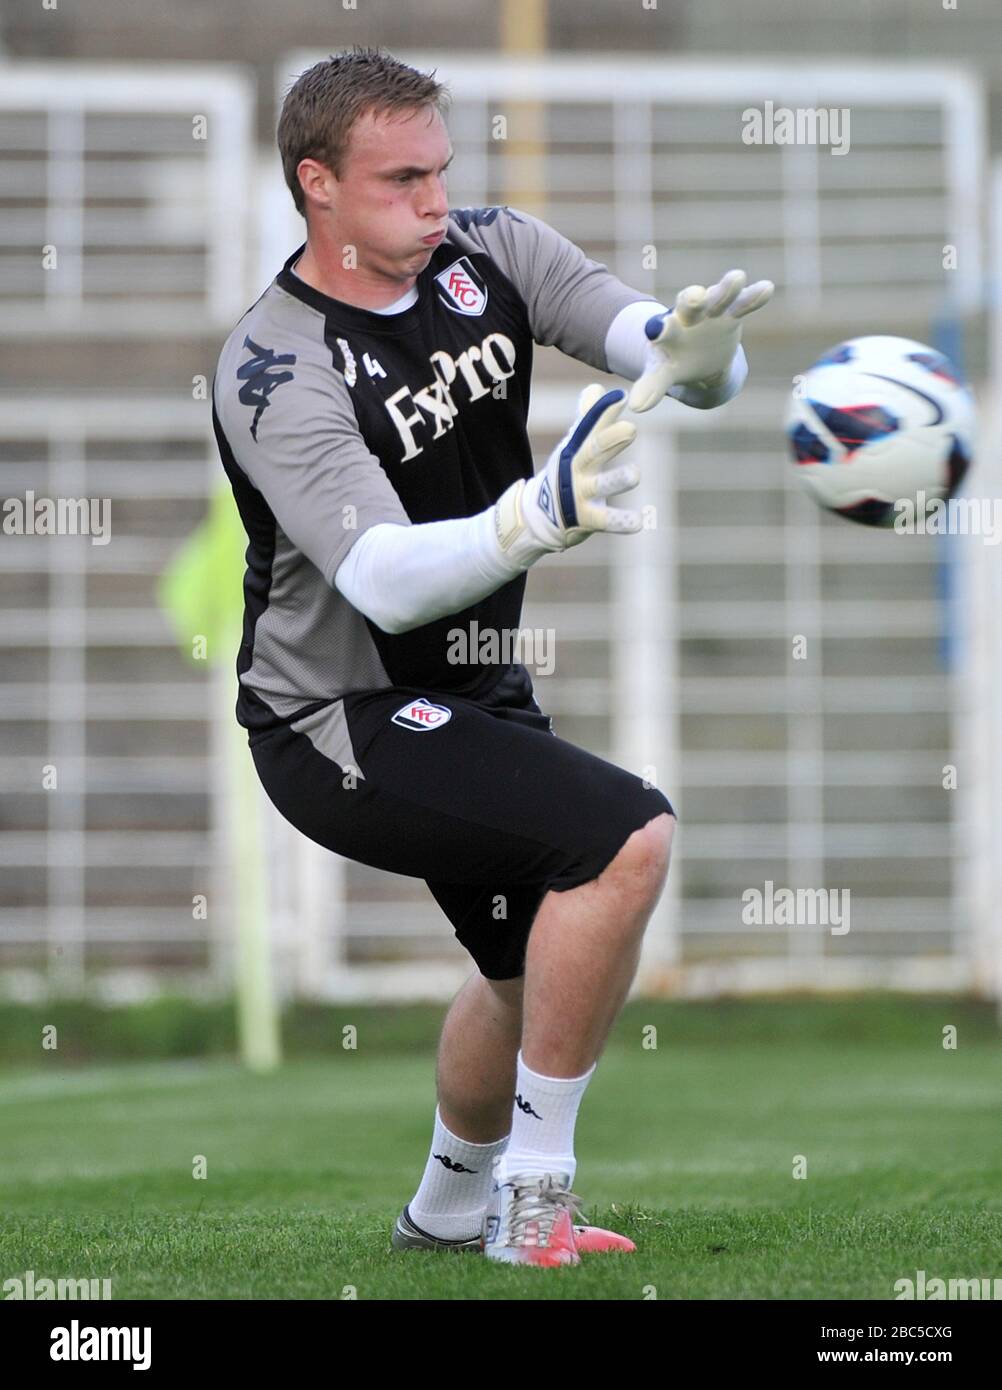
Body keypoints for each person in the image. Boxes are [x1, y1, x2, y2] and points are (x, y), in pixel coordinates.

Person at [211, 46, 773, 1268]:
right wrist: (536, 516)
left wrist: (702, 355)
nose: (434, 202)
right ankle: (533, 1198)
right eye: (401, 180)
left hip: (471, 685)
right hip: (334, 715)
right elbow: (380, 577)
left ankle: (447, 1213)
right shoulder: (273, 364)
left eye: (441, 172)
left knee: (534, 973)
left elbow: (651, 346)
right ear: (316, 183)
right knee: (627, 836)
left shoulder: (492, 250)